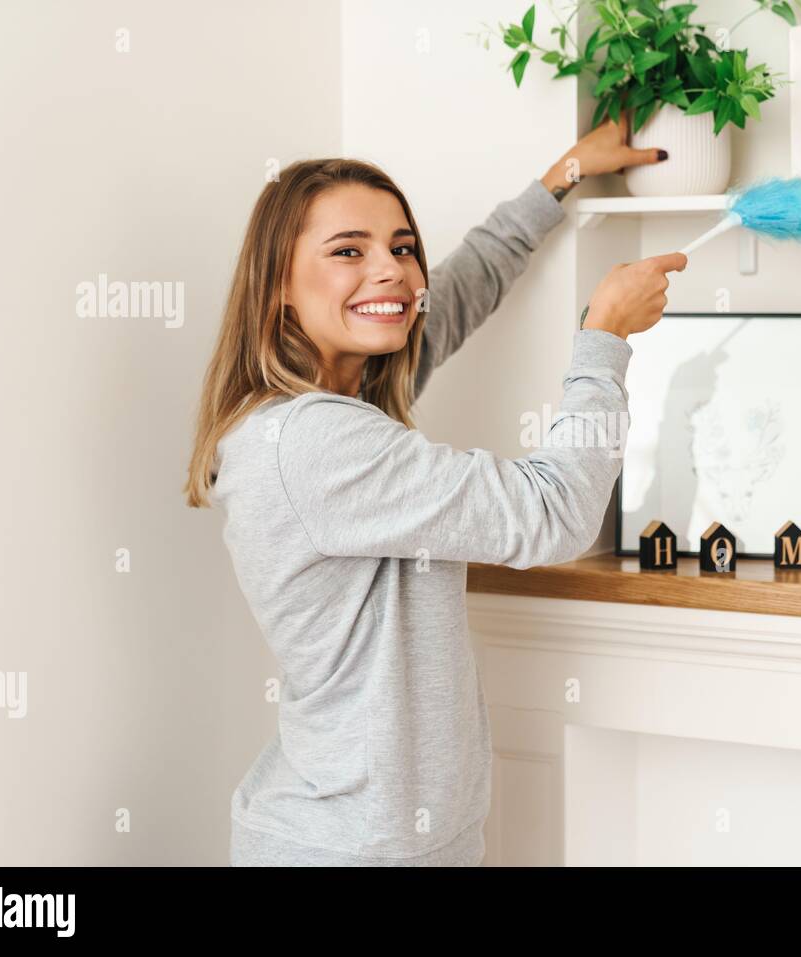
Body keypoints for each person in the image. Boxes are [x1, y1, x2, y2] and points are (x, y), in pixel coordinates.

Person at [184, 118, 687, 866]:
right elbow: (552, 514)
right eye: (348, 250)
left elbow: (458, 290)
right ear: (279, 286)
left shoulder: (329, 411)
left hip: (386, 838)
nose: (390, 270)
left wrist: (568, 174)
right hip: (352, 848)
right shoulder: (317, 442)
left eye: (402, 247)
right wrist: (604, 342)